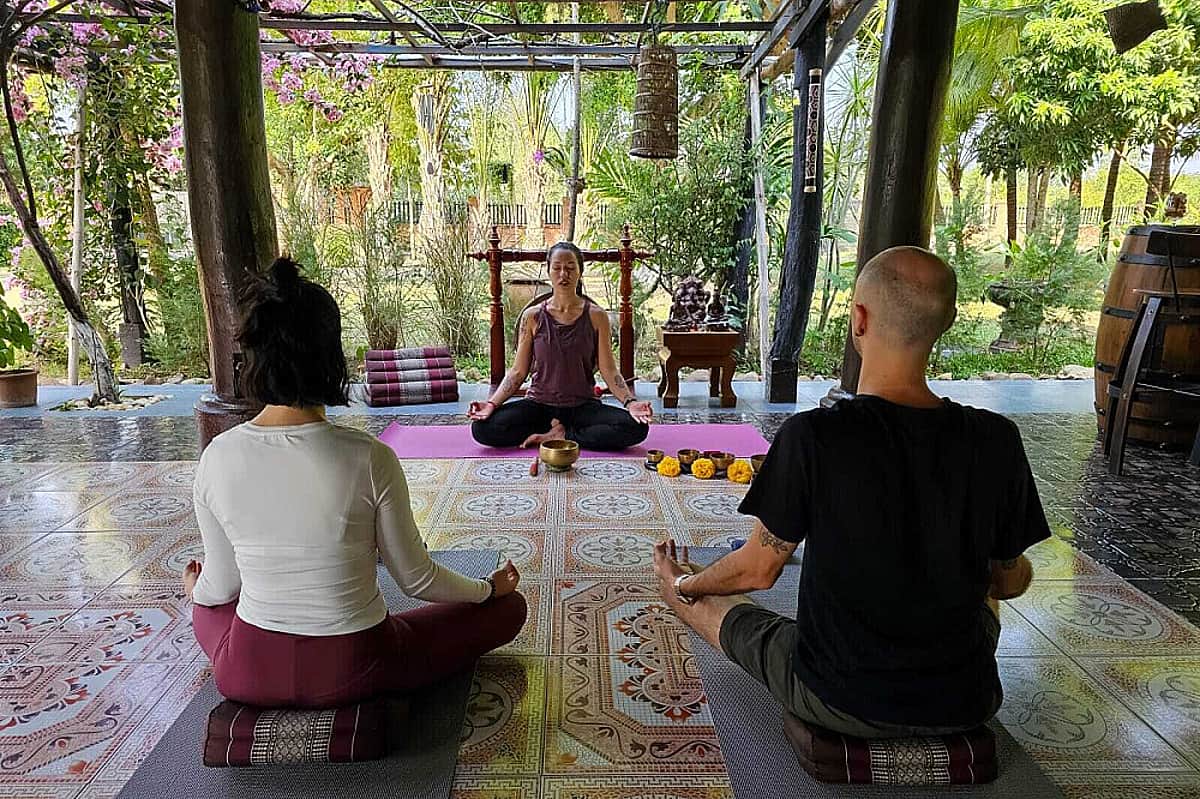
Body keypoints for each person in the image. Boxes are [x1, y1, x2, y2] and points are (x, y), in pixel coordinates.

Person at [652, 246, 1049, 737]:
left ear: (858, 319)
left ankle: (677, 590)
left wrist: (688, 583)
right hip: (968, 699)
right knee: (981, 596)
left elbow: (758, 570)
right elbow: (1008, 584)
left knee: (731, 612)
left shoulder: (813, 436)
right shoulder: (997, 439)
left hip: (839, 697)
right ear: (945, 322)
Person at [185, 257, 526, 709]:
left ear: (251, 360)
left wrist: (195, 592)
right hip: (356, 669)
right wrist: (487, 588)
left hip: (247, 673)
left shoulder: (217, 457)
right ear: (331, 358)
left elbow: (221, 587)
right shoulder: (370, 457)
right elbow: (416, 579)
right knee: (509, 609)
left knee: (207, 606)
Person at [468, 241, 652, 451]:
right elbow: (518, 372)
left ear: (580, 272)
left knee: (637, 428)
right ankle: (562, 434)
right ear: (548, 271)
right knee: (481, 429)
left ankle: (563, 435)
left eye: (570, 268)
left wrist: (631, 403)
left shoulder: (596, 316)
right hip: (539, 407)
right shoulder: (533, 317)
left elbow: (609, 371)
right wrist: (491, 404)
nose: (563, 274)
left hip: (582, 407)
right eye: (557, 268)